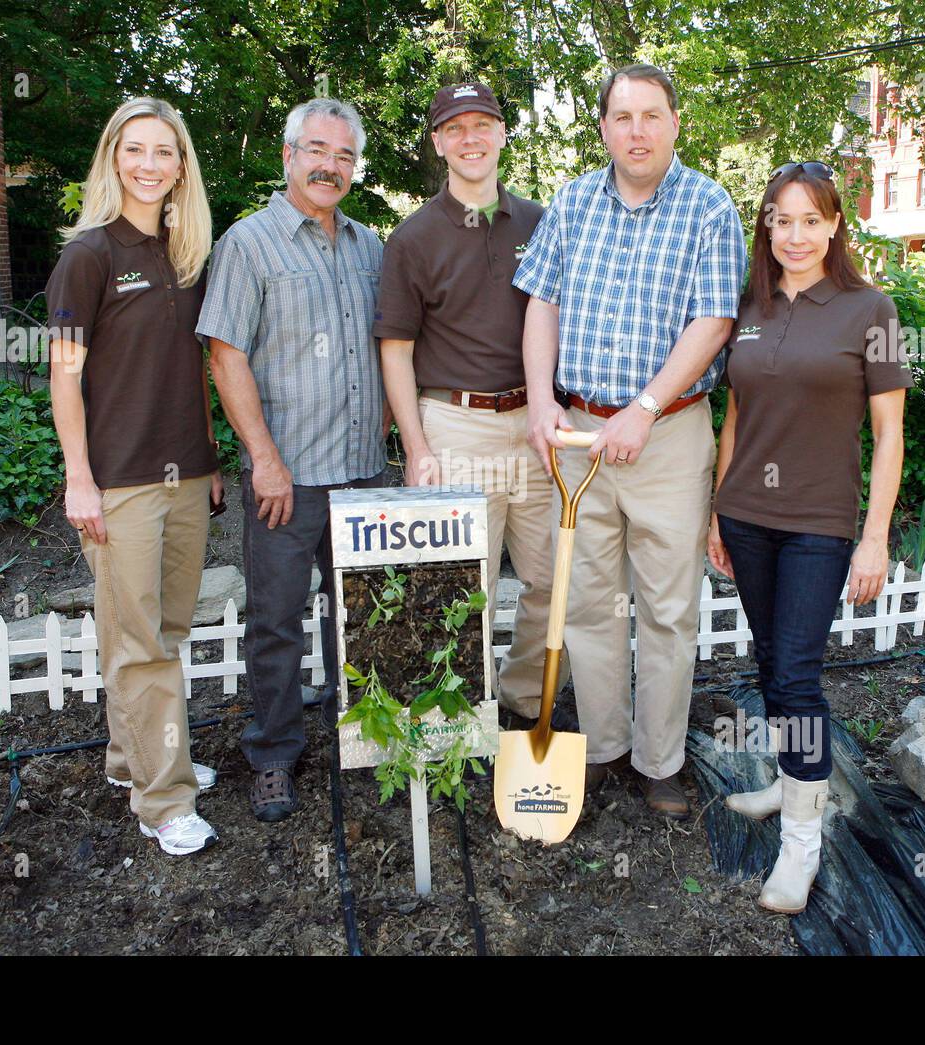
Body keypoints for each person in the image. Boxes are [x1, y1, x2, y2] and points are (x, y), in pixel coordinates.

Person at [513, 64, 746, 819]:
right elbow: (541, 302)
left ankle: (660, 761)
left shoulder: (710, 206)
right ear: (605, 127)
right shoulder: (574, 201)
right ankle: (605, 750)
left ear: (675, 121)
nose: (637, 130)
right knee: (586, 602)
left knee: (668, 608)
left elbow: (712, 321)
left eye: (652, 115)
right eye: (622, 117)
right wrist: (542, 401)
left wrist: (644, 407)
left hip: (667, 434)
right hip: (578, 431)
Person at [708, 161, 912, 913]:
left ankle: (803, 842)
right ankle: (787, 784)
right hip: (746, 517)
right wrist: (715, 510)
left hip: (819, 525)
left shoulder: (871, 309)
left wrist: (874, 536)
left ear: (834, 225)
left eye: (809, 220)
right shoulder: (750, 304)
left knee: (796, 676)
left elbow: (889, 436)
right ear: (768, 226)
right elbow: (734, 415)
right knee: (770, 660)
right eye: (780, 220)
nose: (794, 234)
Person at [198, 98, 387, 824]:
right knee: (275, 621)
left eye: (343, 155)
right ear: (287, 157)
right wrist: (263, 459)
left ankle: (362, 739)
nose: (329, 165)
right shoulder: (249, 244)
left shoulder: (372, 247)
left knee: (363, 616)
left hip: (363, 469)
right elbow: (225, 353)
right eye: (316, 150)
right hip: (287, 475)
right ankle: (274, 754)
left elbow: (389, 349)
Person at [47, 97, 222, 856]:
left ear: (182, 166)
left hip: (186, 474)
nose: (149, 165)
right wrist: (77, 477)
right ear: (112, 158)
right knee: (139, 644)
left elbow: (198, 369)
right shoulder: (87, 256)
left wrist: (211, 458)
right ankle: (164, 798)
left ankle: (132, 758)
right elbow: (63, 377)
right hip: (119, 482)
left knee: (165, 632)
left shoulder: (189, 257)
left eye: (164, 152)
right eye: (135, 150)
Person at [375, 82, 560, 727]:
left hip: (536, 425)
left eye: (483, 124)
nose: (471, 138)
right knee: (458, 585)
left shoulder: (541, 224)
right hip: (455, 426)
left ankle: (523, 698)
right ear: (438, 143)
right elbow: (395, 352)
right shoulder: (413, 238)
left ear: (504, 133)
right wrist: (418, 449)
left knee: (551, 579)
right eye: (456, 128)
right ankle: (455, 719)